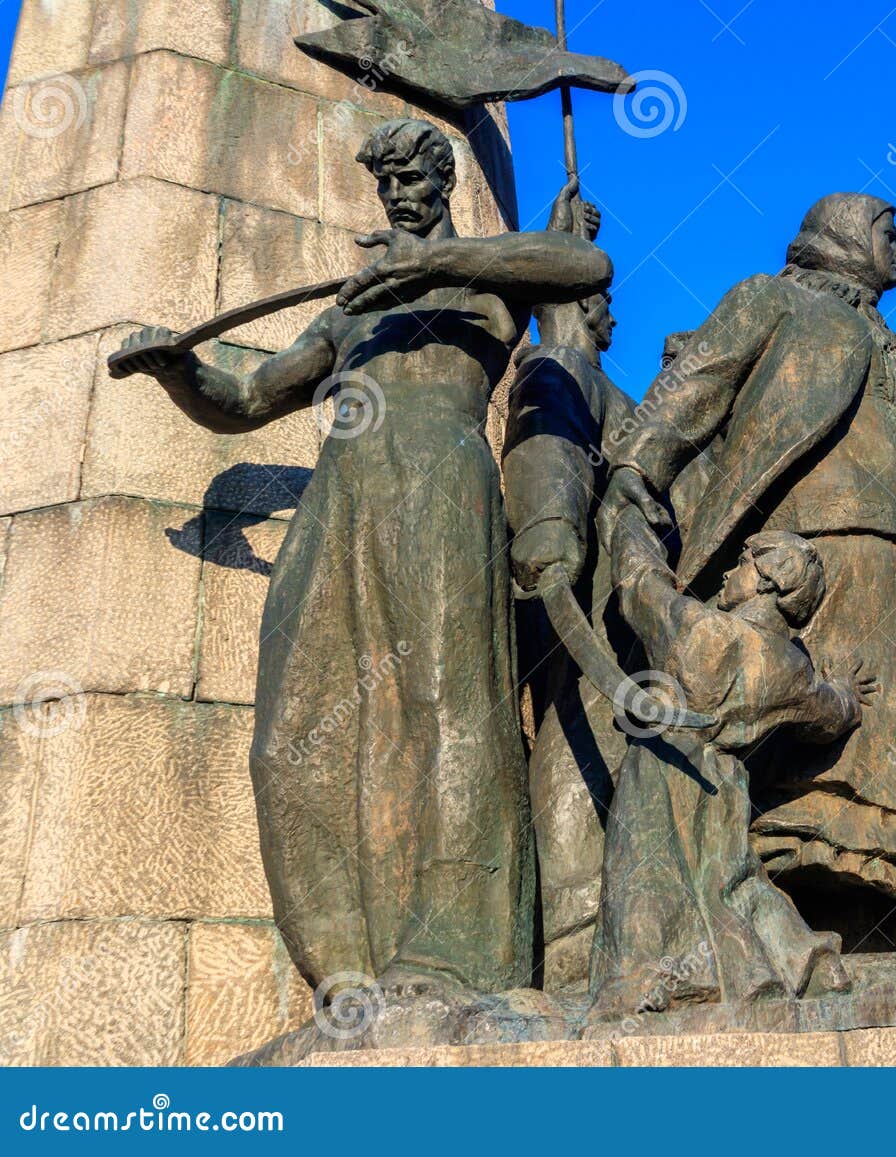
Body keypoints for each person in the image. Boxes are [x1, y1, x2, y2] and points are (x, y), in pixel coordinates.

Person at [112, 118, 613, 999]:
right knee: (290, 735)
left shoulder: (486, 280)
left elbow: (584, 267)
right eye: (386, 186)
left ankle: (459, 956)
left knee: (449, 709)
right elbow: (248, 398)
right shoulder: (353, 308)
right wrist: (178, 372)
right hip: (339, 500)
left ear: (443, 181)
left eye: (411, 181)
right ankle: (341, 963)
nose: (398, 197)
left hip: (440, 482)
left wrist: (438, 263)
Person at [597, 193, 896, 946]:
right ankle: (799, 898)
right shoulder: (774, 299)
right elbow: (694, 384)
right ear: (846, 234)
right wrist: (635, 469)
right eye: (889, 234)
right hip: (821, 548)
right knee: (826, 752)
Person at [588, 508, 873, 1017]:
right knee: (726, 881)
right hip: (724, 784)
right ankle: (794, 965)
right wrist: (849, 695)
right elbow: (831, 714)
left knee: (648, 880)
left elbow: (638, 582)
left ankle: (656, 981)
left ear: (767, 581)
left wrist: (627, 514)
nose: (726, 573)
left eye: (741, 563)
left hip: (662, 767)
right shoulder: (792, 667)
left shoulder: (699, 628)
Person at [498, 180, 638, 990]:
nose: (615, 316)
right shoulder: (558, 368)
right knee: (576, 760)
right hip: (586, 619)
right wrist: (552, 545)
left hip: (615, 619)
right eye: (605, 300)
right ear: (585, 305)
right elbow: (548, 491)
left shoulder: (593, 379)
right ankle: (572, 949)